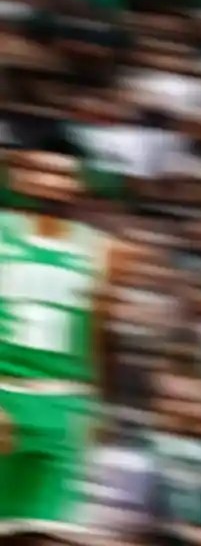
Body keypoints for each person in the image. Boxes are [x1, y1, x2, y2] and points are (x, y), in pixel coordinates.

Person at [0, 148, 125, 545]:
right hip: (5, 393)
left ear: (77, 185)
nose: (50, 182)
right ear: (17, 177)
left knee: (48, 535)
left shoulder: (105, 251)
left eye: (62, 174)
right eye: (39, 171)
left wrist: (97, 406)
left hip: (65, 405)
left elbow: (100, 336)